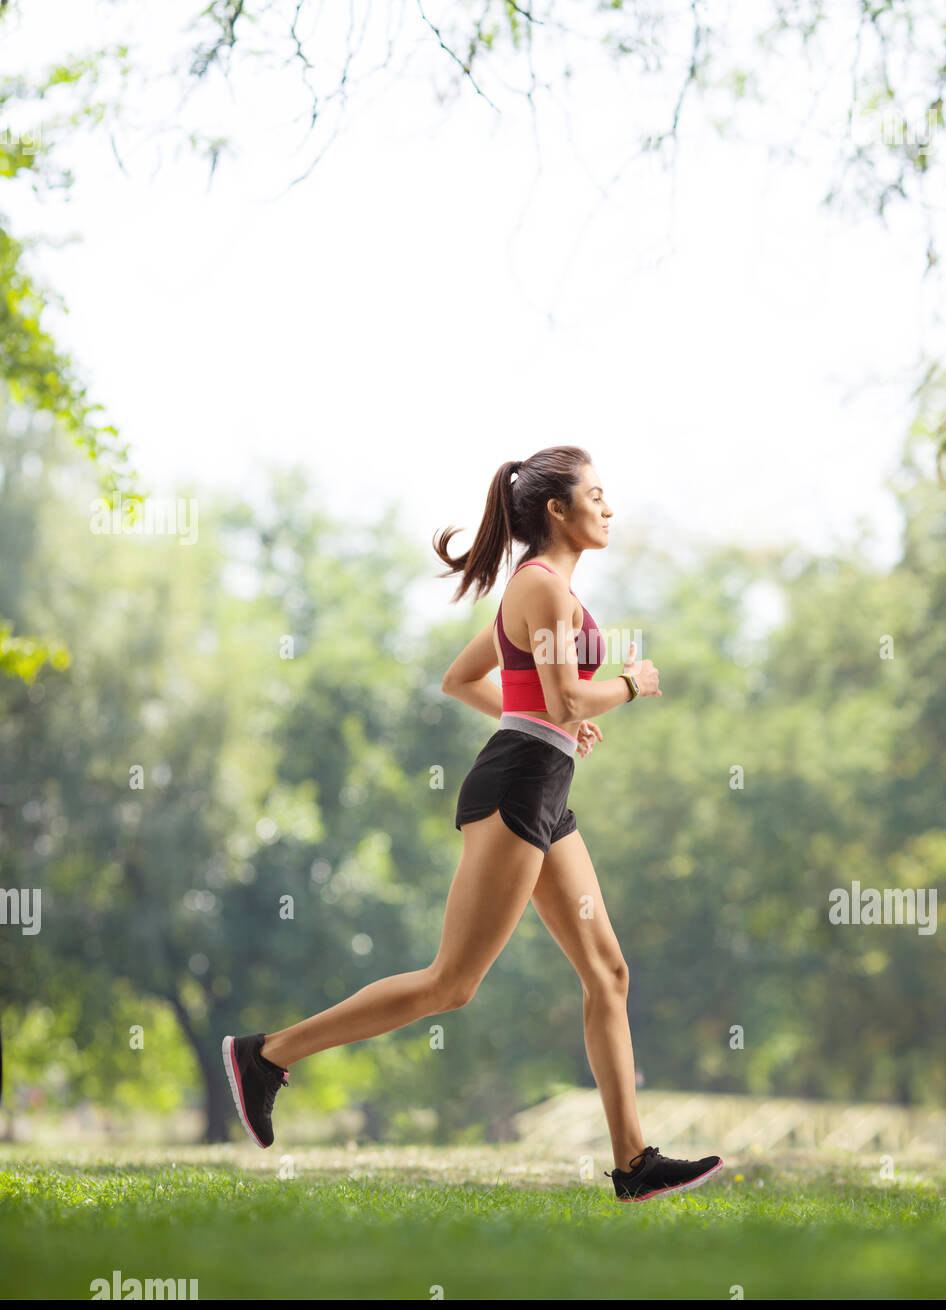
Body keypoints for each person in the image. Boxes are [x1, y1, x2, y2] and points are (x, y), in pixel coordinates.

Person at [223, 446, 723, 1202]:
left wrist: (557, 719)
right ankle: (267, 1054)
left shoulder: (542, 591)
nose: (608, 508)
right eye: (597, 494)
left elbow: (469, 682)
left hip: (543, 786)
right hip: (516, 787)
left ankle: (632, 1163)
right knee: (451, 984)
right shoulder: (542, 590)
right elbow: (563, 701)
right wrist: (631, 681)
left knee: (607, 972)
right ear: (558, 509)